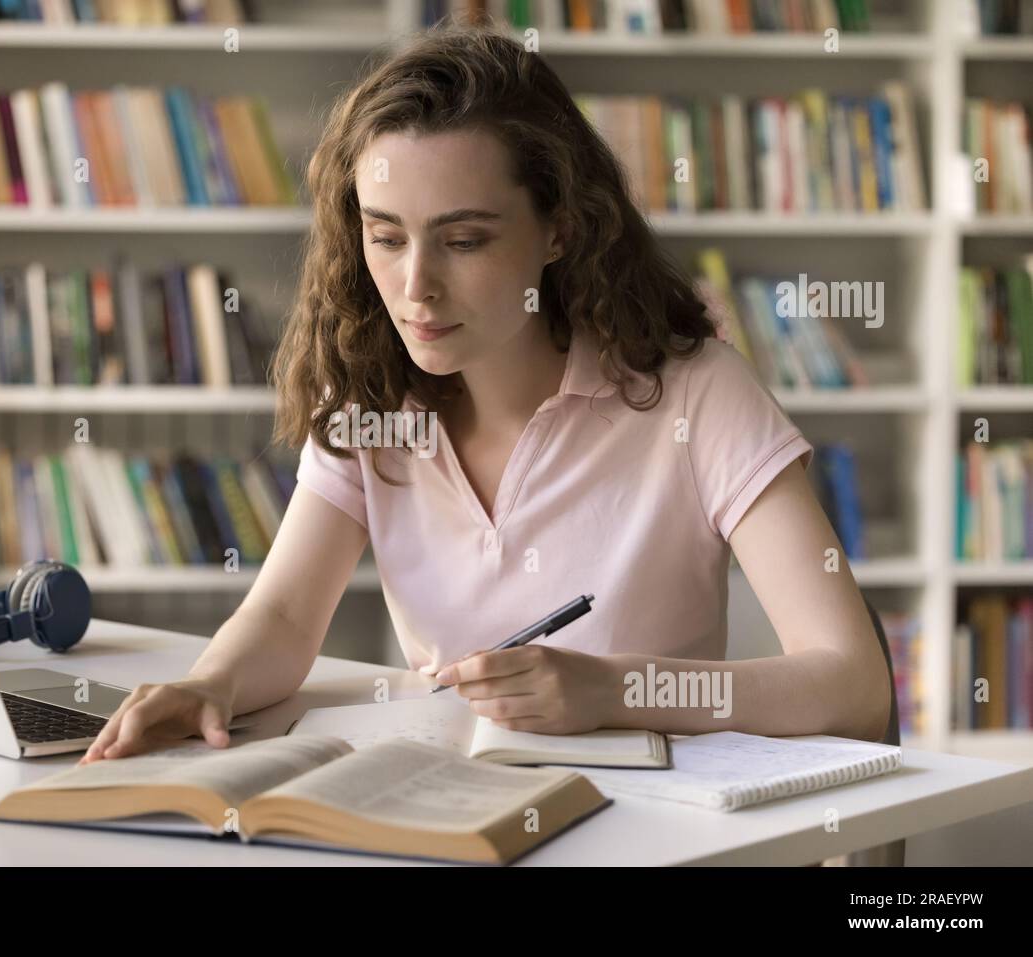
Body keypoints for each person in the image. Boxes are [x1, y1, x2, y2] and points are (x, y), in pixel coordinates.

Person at [80, 23, 890, 765]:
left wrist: (613, 689)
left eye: (464, 240)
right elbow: (285, 621)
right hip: (443, 810)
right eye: (386, 236)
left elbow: (854, 685)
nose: (415, 287)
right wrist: (210, 682)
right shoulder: (371, 394)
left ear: (560, 230)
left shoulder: (697, 393)